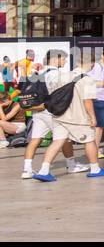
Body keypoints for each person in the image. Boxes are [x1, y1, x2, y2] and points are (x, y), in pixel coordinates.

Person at [30, 60, 104, 182]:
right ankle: (95, 169)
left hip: (59, 115)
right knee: (89, 141)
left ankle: (44, 171)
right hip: (78, 118)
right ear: (92, 64)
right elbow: (87, 101)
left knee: (57, 142)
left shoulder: (62, 76)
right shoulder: (87, 79)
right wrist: (93, 117)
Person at [21, 51, 89, 180]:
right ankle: (71, 165)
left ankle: (27, 169)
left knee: (35, 139)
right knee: (64, 138)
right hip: (51, 111)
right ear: (55, 59)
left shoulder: (37, 73)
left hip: (37, 111)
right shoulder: (56, 74)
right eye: (63, 59)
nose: (64, 61)